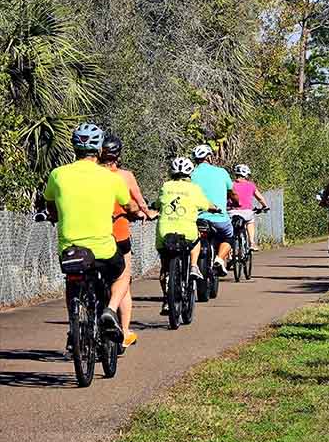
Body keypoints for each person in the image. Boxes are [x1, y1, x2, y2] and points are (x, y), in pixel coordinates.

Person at [43, 123, 139, 344]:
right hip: (103, 250)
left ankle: (73, 326)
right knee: (122, 273)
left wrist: (54, 215)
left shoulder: (57, 175)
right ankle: (110, 310)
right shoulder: (112, 178)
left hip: (70, 251)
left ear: (74, 147)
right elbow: (129, 206)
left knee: (72, 282)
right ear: (98, 148)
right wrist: (135, 213)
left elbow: (50, 205)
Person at [100, 134, 155, 350]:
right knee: (124, 280)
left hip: (90, 236)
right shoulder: (124, 176)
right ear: (118, 155)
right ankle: (124, 332)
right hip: (118, 234)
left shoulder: (91, 175)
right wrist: (146, 213)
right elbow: (138, 202)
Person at [155, 157, 220, 314]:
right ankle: (193, 266)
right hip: (187, 230)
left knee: (165, 267)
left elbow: (158, 203)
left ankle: (166, 299)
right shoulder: (194, 188)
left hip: (165, 232)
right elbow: (206, 204)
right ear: (189, 173)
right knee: (196, 239)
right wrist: (214, 208)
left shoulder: (165, 186)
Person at [191, 145, 239, 275]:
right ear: (209, 157)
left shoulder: (190, 174)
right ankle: (219, 258)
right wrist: (236, 202)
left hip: (196, 218)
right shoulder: (221, 172)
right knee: (229, 237)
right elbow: (232, 192)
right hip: (219, 218)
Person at [229, 164, 269, 251]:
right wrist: (264, 206)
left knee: (230, 227)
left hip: (232, 212)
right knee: (250, 221)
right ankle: (252, 242)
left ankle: (230, 250)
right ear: (246, 174)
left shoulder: (231, 185)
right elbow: (260, 198)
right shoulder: (251, 185)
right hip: (246, 212)